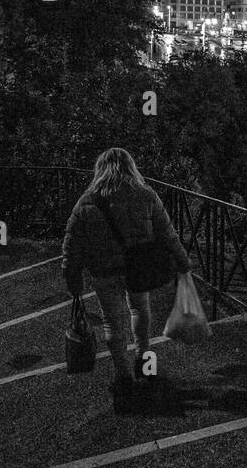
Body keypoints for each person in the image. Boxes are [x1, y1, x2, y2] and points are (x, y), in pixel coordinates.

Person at [61, 148, 190, 412]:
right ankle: (143, 356)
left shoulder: (87, 202)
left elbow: (71, 245)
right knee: (140, 309)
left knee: (112, 320)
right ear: (131, 167)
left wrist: (72, 276)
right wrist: (183, 262)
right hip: (137, 268)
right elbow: (168, 233)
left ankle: (123, 375)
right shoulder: (145, 195)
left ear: (100, 170)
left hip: (103, 271)